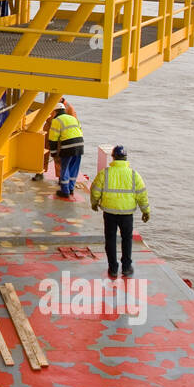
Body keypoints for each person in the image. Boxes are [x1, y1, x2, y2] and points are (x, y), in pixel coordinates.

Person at [90, 145, 151, 277]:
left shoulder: (105, 173)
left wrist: (94, 203)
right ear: (126, 158)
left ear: (113, 157)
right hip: (127, 214)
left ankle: (113, 268)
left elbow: (95, 190)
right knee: (127, 240)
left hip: (109, 213)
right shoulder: (134, 175)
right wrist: (145, 211)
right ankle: (126, 267)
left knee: (110, 240)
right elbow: (142, 195)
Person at [46, 103, 84, 199]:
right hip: (80, 144)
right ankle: (71, 189)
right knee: (74, 167)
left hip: (68, 145)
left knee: (65, 167)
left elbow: (53, 139)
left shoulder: (56, 120)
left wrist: (54, 153)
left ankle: (65, 191)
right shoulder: (73, 118)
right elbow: (80, 130)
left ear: (55, 112)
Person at [34, 97, 76, 183]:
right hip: (48, 130)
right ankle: (40, 172)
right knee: (43, 152)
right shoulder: (50, 104)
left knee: (59, 155)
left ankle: (61, 176)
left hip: (60, 133)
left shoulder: (69, 107)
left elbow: (73, 121)